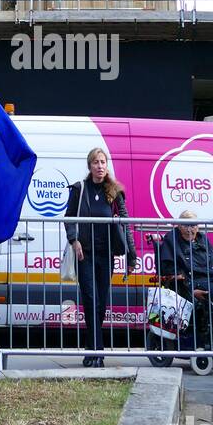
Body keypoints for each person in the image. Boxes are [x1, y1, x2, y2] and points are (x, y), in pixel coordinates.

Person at [64, 147, 136, 366]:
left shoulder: (115, 191)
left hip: (106, 255)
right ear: (90, 166)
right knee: (90, 300)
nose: (100, 166)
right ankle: (98, 352)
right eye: (96, 162)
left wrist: (131, 256)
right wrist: (74, 240)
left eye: (103, 162)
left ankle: (91, 350)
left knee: (101, 303)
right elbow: (69, 218)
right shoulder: (80, 189)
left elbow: (125, 224)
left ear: (107, 165)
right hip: (85, 255)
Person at [157, 211, 213, 353]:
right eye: (186, 225)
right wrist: (190, 289)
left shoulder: (203, 239)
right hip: (190, 283)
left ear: (198, 226)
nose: (190, 229)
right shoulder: (172, 240)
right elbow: (167, 268)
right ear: (179, 226)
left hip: (211, 279)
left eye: (193, 225)